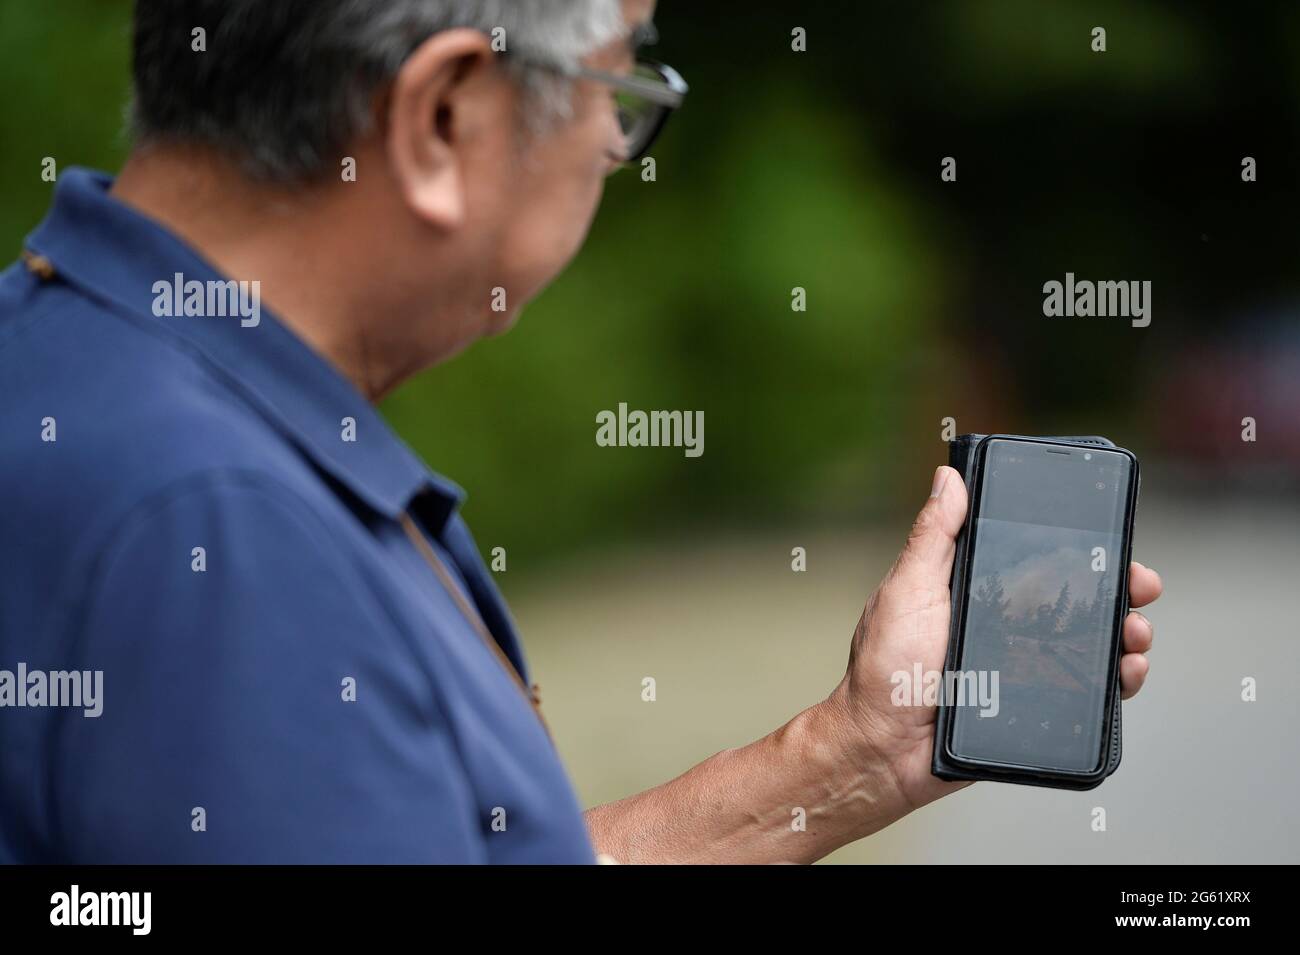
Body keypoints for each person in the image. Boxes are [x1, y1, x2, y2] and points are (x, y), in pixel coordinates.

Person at [0, 0, 1160, 864]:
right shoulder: (227, 532)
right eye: (623, 91)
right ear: (443, 116)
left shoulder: (80, 364)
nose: (616, 147)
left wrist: (857, 752)